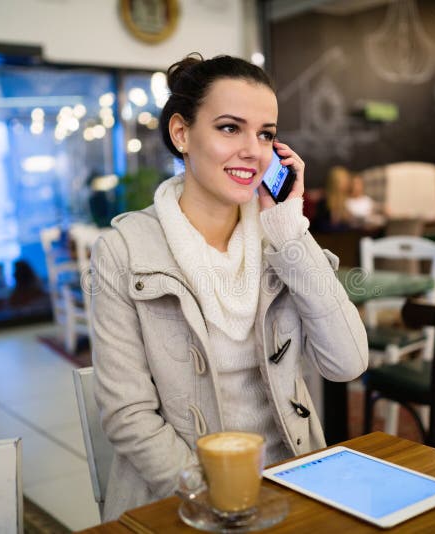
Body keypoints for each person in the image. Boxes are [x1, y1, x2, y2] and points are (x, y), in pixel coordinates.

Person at [89, 54, 368, 520]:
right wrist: (220, 494)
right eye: (229, 128)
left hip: (291, 481)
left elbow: (347, 363)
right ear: (182, 134)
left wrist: (291, 232)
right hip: (185, 496)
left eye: (266, 134)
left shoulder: (279, 237)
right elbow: (128, 416)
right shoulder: (123, 251)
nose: (254, 151)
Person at [312, 165, 353, 231]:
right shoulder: (324, 201)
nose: (347, 184)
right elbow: (321, 226)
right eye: (344, 181)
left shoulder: (347, 200)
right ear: (335, 182)